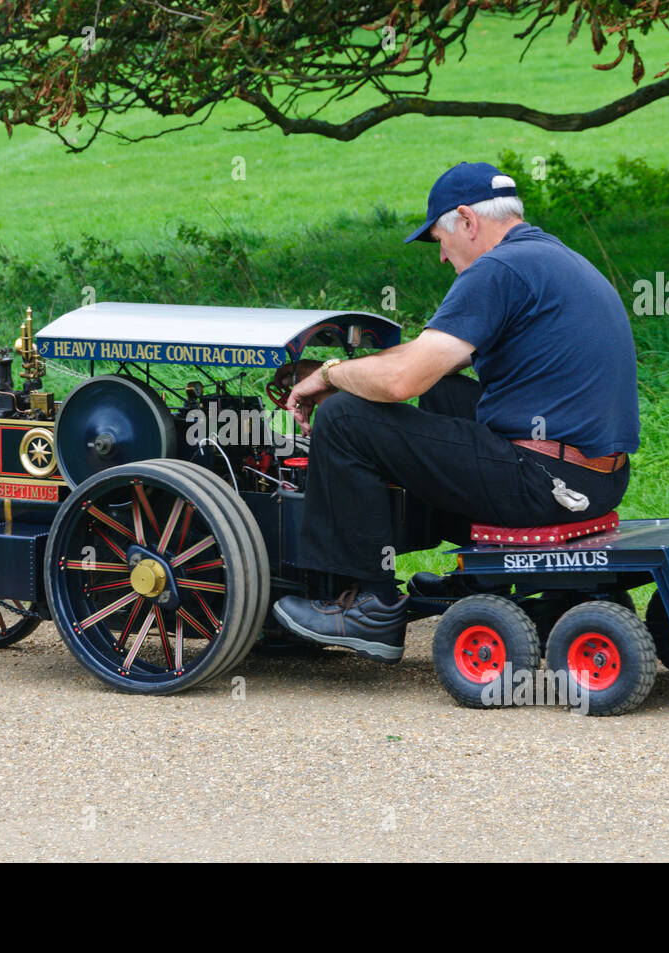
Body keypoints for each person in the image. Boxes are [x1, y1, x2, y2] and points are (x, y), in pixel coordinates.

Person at [270, 161, 640, 663]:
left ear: (467, 219)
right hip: (594, 479)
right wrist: (340, 370)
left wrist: (332, 376)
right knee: (443, 392)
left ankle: (369, 605)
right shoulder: (547, 257)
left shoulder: (497, 271)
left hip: (544, 485)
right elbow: (427, 356)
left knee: (346, 420)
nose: (442, 256)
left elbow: (402, 381)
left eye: (439, 239)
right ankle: (476, 573)